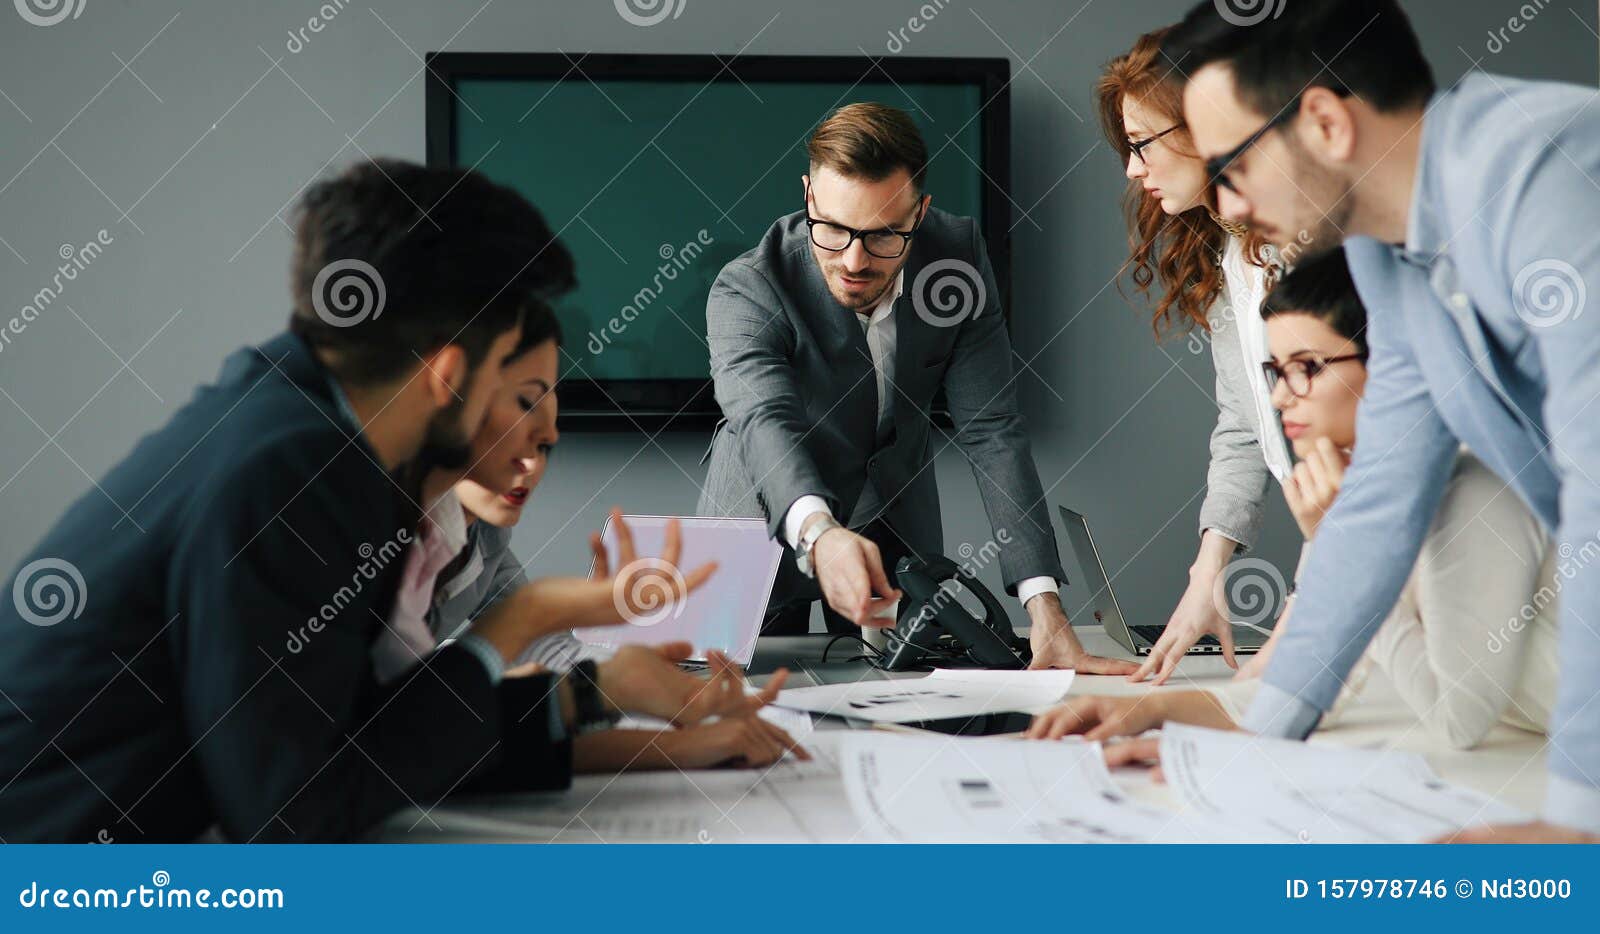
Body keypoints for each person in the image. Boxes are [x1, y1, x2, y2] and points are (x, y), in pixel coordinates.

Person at [0, 160, 761, 843]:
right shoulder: (300, 469)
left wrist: (586, 692)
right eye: (504, 370)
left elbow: (363, 750)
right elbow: (296, 823)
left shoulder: (286, 421)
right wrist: (526, 616)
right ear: (447, 374)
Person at [1153, 0, 1600, 841]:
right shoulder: (1385, 257)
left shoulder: (1542, 168)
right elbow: (1379, 501)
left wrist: (1583, 816)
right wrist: (1256, 735)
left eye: (1232, 166)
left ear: (1323, 120)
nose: (1226, 203)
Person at [1026, 248, 1559, 761]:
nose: (1281, 398)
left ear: (1392, 362)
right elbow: (1305, 675)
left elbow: (1456, 718)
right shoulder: (1351, 489)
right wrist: (1151, 710)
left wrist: (1342, 549)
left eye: (1308, 366)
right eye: (1277, 371)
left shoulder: (1473, 486)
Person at [698, 102, 1132, 674]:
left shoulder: (956, 258)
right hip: (758, 530)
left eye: (882, 236)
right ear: (808, 198)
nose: (854, 260)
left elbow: (991, 430)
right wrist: (821, 533)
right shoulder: (748, 287)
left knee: (904, 712)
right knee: (739, 717)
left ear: (920, 212)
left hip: (894, 536)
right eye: (832, 230)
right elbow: (764, 420)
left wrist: (1046, 610)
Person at [384, 301, 809, 770]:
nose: (531, 466)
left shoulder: (484, 535)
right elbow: (406, 743)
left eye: (545, 444)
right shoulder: (378, 533)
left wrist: (624, 680)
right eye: (518, 412)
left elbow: (521, 675)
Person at [1096, 27, 1285, 683]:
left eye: (1142, 143)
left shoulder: (1318, 252)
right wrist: (1208, 574)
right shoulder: (1231, 253)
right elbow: (1245, 423)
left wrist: (1292, 639)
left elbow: (1369, 478)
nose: (1131, 167)